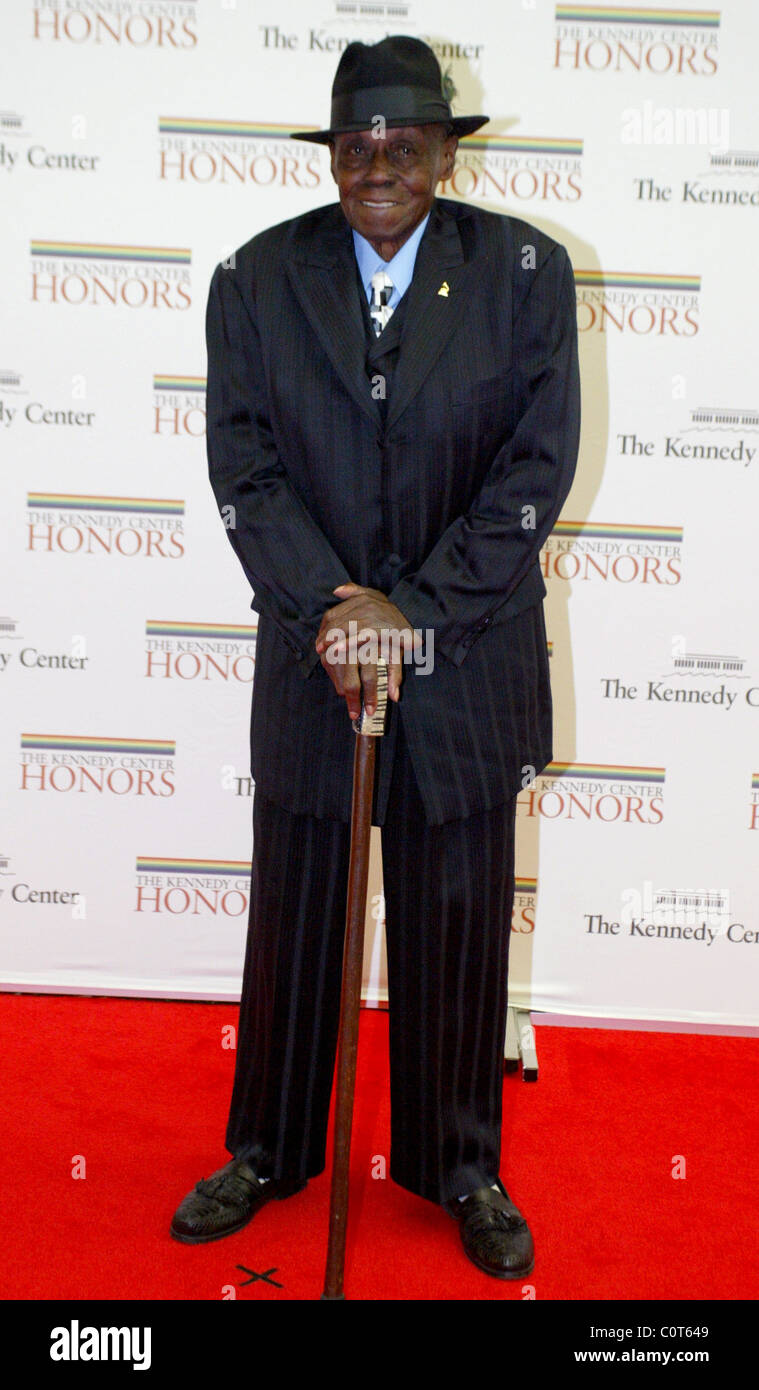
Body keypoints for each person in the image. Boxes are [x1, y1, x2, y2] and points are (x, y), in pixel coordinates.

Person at [170, 34, 580, 1281]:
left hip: (466, 662)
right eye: (357, 144)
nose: (380, 163)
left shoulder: (525, 273)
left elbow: (533, 470)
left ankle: (462, 1166)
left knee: (458, 921)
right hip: (314, 660)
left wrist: (413, 612)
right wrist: (333, 612)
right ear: (332, 153)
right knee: (296, 915)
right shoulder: (254, 277)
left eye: (406, 142)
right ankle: (272, 1147)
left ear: (450, 153)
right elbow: (244, 469)